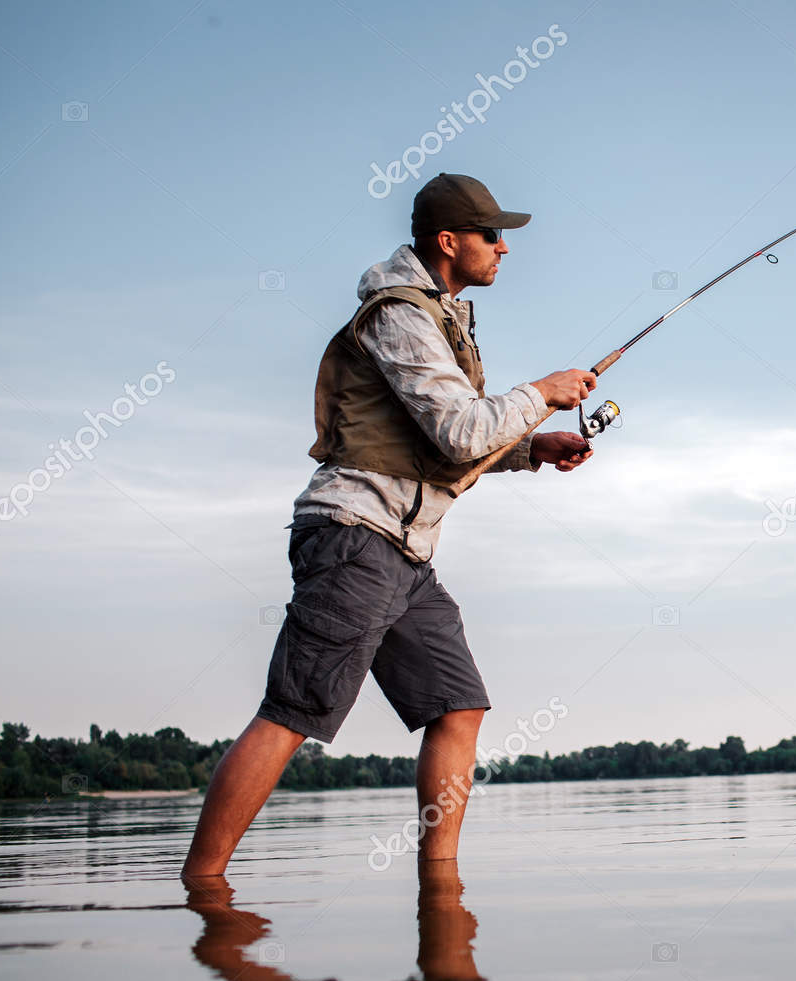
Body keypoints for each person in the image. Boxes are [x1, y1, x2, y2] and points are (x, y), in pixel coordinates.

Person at [182, 173, 596, 878]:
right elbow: (463, 430)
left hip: (404, 553)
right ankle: (202, 883)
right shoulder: (398, 314)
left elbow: (440, 442)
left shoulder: (442, 315)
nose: (503, 248)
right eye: (491, 235)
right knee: (294, 711)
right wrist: (543, 393)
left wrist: (533, 448)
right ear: (448, 241)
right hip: (354, 536)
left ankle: (440, 885)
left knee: (459, 705)